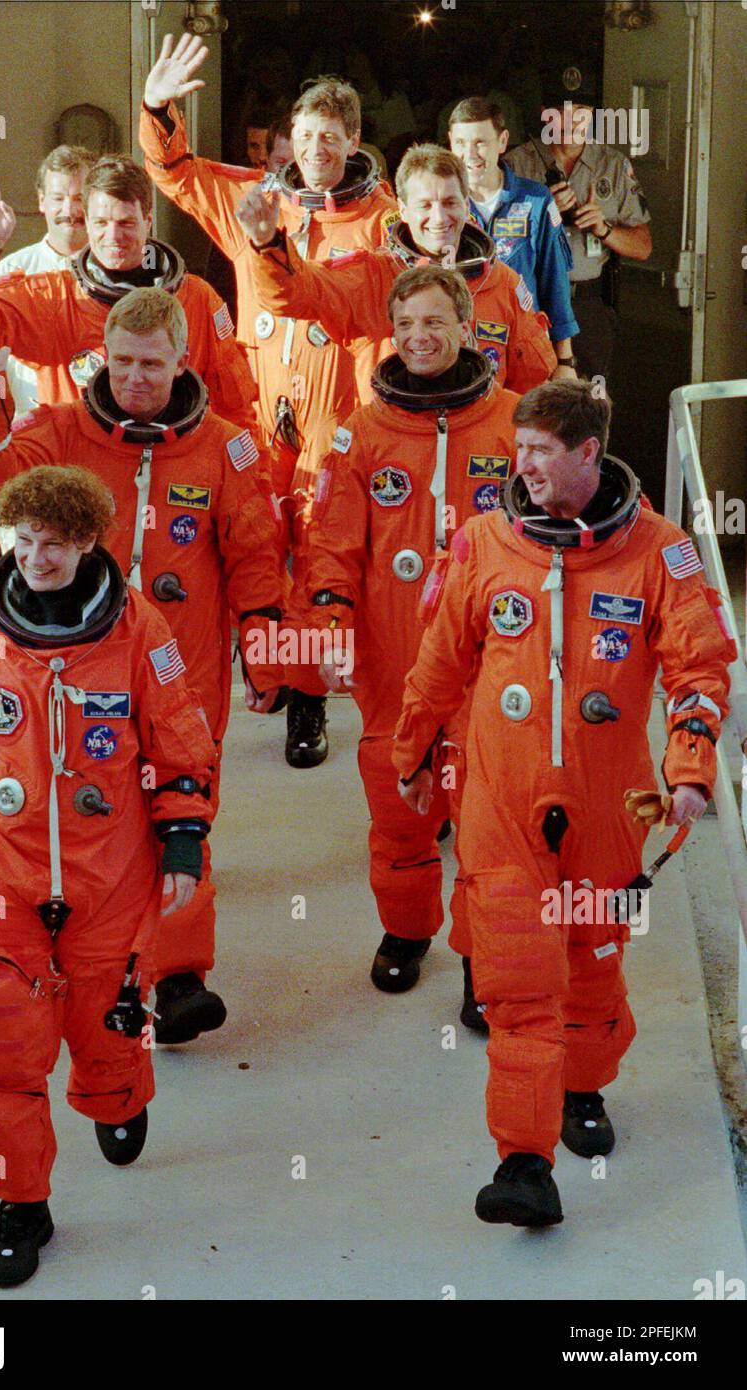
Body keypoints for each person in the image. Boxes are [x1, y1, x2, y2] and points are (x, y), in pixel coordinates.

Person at [392, 381, 734, 1227]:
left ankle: (584, 1087)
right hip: (502, 803)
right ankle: (522, 1159)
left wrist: (689, 766)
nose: (525, 466)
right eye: (520, 451)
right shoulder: (481, 544)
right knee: (515, 985)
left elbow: (699, 667)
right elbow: (438, 660)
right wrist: (410, 749)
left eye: (543, 452)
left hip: (606, 809)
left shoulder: (662, 552)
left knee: (590, 964)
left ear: (589, 454)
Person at [0, 466, 217, 1285]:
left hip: (108, 874)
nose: (33, 558)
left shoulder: (143, 632)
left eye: (54, 546)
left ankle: (116, 1093)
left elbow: (179, 740)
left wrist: (181, 846)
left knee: (106, 1015)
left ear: (90, 543)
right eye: (21, 541)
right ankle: (20, 1204)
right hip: (0, 871)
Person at [0, 288, 285, 1044]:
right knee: (96, 824)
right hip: (72, 674)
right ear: (105, 357)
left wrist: (265, 654)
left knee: (182, 813)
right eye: (124, 362)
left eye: (153, 365)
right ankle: (103, 969)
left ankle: (179, 975)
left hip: (183, 671)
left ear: (182, 360)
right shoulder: (62, 428)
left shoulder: (227, 446)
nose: (137, 378)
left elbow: (256, 556)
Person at [140, 34, 399, 769]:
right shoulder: (259, 199)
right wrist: (157, 105)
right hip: (257, 408)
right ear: (290, 136)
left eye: (331, 136)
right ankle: (270, 671)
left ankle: (309, 704)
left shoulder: (381, 220)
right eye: (305, 134)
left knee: (318, 555)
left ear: (354, 140)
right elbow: (177, 173)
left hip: (334, 414)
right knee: (253, 545)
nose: (316, 147)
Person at [291, 265, 519, 994]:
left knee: (492, 820)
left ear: (464, 328)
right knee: (398, 806)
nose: (420, 339)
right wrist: (327, 625)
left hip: (491, 660)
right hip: (395, 657)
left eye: (435, 323)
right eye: (407, 325)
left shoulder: (516, 420)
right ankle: (407, 928)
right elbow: (331, 543)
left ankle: (488, 955)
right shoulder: (362, 433)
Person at [236, 141, 558, 425]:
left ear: (466, 204)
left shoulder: (502, 284)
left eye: (450, 202)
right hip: (391, 450)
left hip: (475, 458)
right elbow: (298, 294)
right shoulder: (372, 277)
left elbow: (530, 386)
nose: (439, 218)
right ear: (402, 210)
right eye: (425, 205)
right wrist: (268, 245)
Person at [0, 155, 257, 430]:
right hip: (78, 475)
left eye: (126, 223)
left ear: (148, 220)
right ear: (86, 222)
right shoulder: (53, 299)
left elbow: (236, 411)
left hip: (170, 472)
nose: (113, 236)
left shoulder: (196, 299)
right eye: (101, 222)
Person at [506, 94, 652, 384]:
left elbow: (644, 247)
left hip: (588, 305)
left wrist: (604, 229)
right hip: (531, 305)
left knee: (592, 406)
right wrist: (544, 213)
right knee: (530, 404)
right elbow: (498, 244)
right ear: (545, 114)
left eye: (581, 113)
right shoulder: (516, 165)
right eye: (562, 113)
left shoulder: (613, 165)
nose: (572, 123)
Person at [0, 145, 95, 420]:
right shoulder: (10, 271)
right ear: (41, 201)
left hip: (100, 428)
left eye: (79, 198)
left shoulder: (115, 270)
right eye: (58, 198)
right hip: (28, 427)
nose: (69, 209)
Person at [447, 98, 578, 375]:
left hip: (523, 351)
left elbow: (555, 282)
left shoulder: (535, 201)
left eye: (480, 142)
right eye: (461, 143)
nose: (469, 154)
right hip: (459, 354)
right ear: (450, 142)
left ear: (503, 141)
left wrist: (565, 361)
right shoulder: (441, 205)